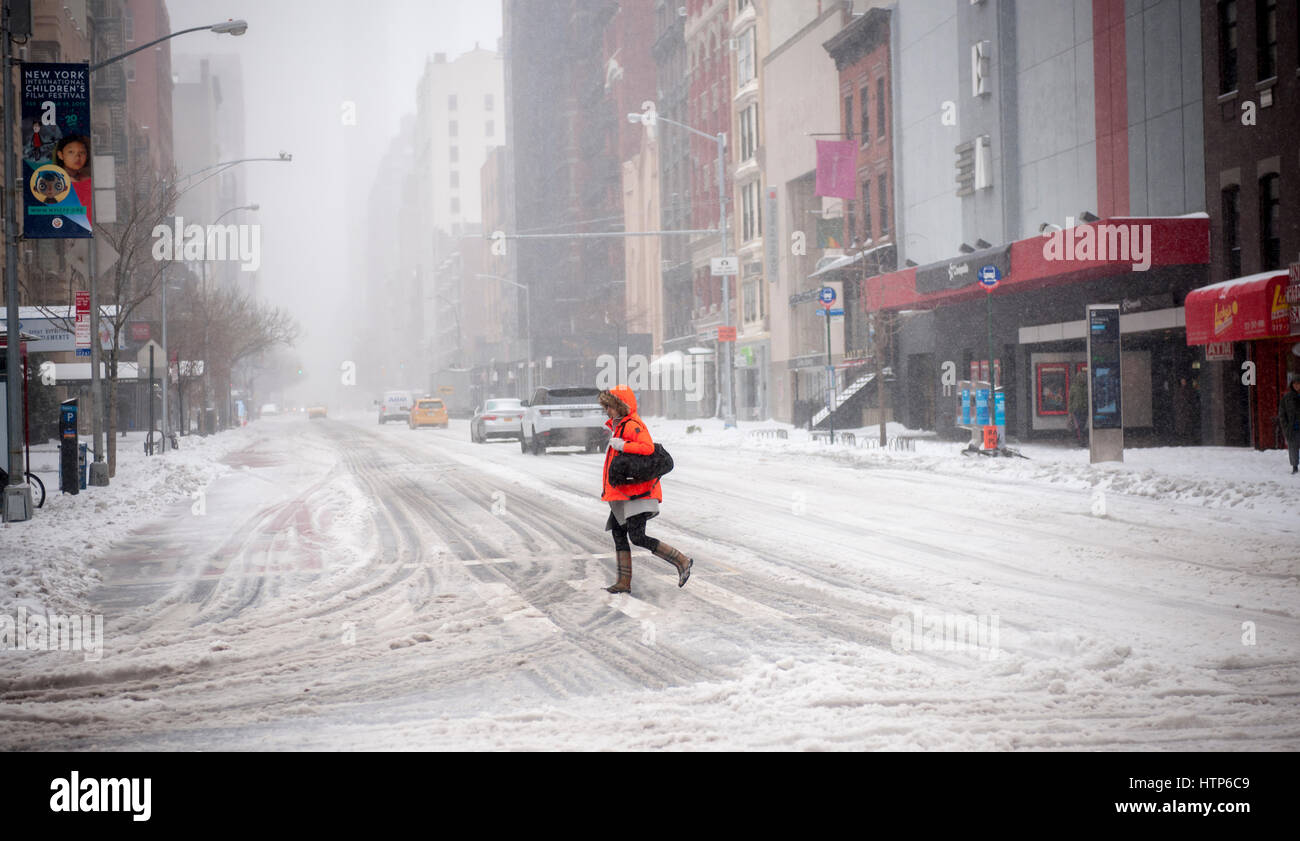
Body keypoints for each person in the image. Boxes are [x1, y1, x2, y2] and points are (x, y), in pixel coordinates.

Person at [598, 385, 692, 594]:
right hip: (625, 494)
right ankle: (623, 582)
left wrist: (623, 446)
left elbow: (647, 447)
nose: (608, 411)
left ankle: (682, 560)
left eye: (610, 407)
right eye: (606, 407)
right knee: (618, 532)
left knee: (637, 536)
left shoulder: (632, 425)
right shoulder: (620, 426)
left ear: (620, 406)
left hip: (638, 493)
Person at [1279, 375, 1300, 475]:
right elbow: (1282, 414)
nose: (1297, 386)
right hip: (1293, 428)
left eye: (1298, 383)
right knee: (1293, 448)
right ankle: (1295, 467)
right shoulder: (1287, 397)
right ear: (1292, 385)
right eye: (1295, 383)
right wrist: (1286, 427)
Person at [1068, 368, 1089, 448]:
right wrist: (1070, 411)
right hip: (1077, 409)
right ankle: (1081, 440)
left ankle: (1080, 438)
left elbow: (1070, 399)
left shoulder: (1078, 387)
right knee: (1080, 425)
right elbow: (1070, 399)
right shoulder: (1075, 387)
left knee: (1082, 425)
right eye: (1081, 377)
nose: (1082, 379)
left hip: (1083, 408)